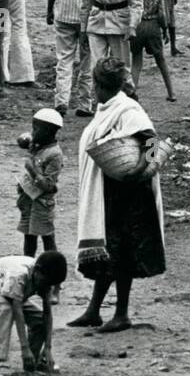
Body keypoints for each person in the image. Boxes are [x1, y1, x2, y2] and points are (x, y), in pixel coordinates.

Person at [71, 57, 166, 332]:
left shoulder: (127, 110)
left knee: (121, 252)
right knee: (107, 251)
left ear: (100, 85)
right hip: (111, 191)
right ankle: (93, 310)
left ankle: (121, 313)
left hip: (129, 195)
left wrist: (137, 171)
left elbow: (151, 140)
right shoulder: (109, 107)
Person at [0, 251, 67, 376]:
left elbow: (47, 314)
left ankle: (33, 362)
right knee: (5, 310)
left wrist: (48, 348)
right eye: (44, 282)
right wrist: (24, 349)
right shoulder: (18, 275)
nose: (45, 286)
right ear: (37, 271)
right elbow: (18, 311)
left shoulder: (44, 277)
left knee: (39, 318)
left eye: (50, 284)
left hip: (6, 289)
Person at [16, 108, 64, 256]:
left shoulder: (55, 154)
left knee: (47, 236)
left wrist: (32, 170)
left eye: (36, 128)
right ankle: (28, 264)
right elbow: (22, 142)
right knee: (29, 235)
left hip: (42, 203)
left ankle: (53, 265)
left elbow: (48, 185)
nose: (33, 131)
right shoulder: (38, 145)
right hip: (29, 200)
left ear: (49, 131)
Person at [131, 0, 175, 100]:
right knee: (160, 60)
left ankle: (132, 92)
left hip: (137, 25)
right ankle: (171, 92)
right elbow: (162, 14)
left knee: (136, 61)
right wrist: (165, 30)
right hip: (153, 26)